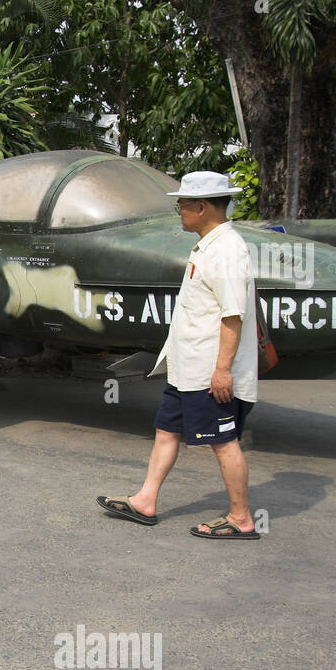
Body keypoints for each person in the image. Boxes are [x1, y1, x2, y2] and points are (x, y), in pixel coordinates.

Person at [97, 170, 260, 540]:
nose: (180, 212)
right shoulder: (208, 245)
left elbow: (232, 315)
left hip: (208, 372)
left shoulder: (227, 249)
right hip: (187, 369)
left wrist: (222, 371)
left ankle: (241, 518)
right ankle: (145, 500)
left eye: (183, 205)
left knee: (222, 440)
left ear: (202, 207)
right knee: (166, 430)